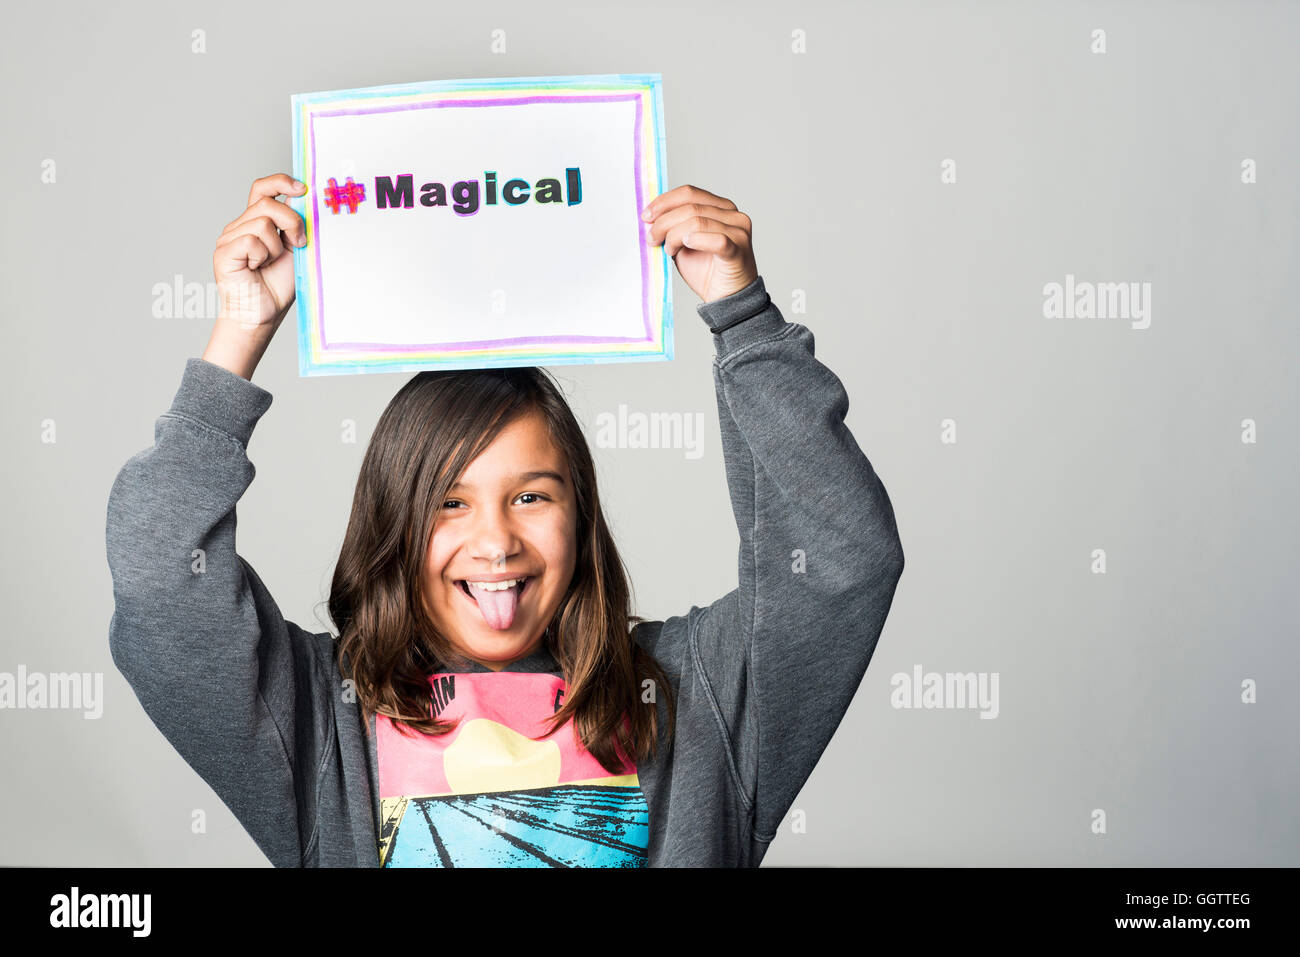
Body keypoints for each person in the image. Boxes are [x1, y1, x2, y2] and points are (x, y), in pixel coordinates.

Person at [105, 173, 905, 867]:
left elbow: (839, 560)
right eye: (449, 502)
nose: (495, 542)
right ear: (393, 527)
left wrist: (745, 321)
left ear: (580, 517)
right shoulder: (325, 721)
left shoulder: (700, 697)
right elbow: (160, 578)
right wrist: (239, 334)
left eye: (532, 495)